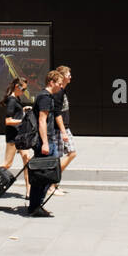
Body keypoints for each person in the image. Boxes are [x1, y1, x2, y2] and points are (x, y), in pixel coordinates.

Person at [28, 69, 67, 218]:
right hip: (45, 141)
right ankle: (35, 206)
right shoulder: (45, 98)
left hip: (48, 140)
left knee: (46, 174)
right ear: (51, 82)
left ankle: (36, 205)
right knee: (43, 175)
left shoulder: (47, 96)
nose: (60, 86)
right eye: (58, 83)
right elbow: (42, 121)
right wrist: (45, 143)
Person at [0, 77, 33, 198]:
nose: (24, 92)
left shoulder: (17, 98)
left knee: (27, 159)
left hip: (20, 135)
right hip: (13, 136)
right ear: (17, 87)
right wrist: (22, 120)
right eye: (24, 89)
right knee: (7, 164)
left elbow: (16, 114)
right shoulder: (11, 100)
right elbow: (8, 121)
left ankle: (29, 191)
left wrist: (23, 110)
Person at [51, 66, 76, 196]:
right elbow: (57, 113)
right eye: (68, 74)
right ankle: (51, 184)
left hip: (64, 128)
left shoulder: (63, 91)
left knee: (71, 153)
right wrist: (63, 131)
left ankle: (54, 183)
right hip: (60, 129)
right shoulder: (59, 92)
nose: (70, 76)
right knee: (62, 155)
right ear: (62, 76)